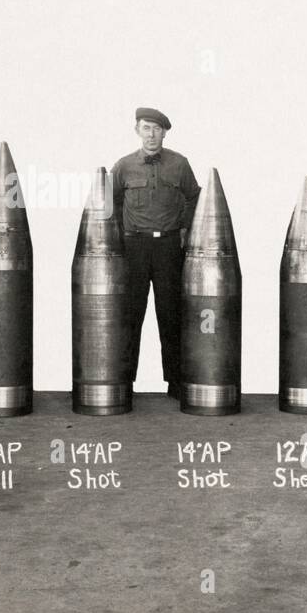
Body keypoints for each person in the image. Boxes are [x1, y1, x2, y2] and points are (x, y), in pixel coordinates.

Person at [111, 107, 201, 399]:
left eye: (157, 129)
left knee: (172, 315)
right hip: (134, 248)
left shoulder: (180, 164)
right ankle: (124, 382)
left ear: (164, 132)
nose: (151, 134)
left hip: (168, 249)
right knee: (129, 316)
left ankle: (175, 382)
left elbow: (194, 197)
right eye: (146, 128)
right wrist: (118, 240)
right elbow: (108, 203)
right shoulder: (123, 166)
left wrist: (185, 230)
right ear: (137, 130)